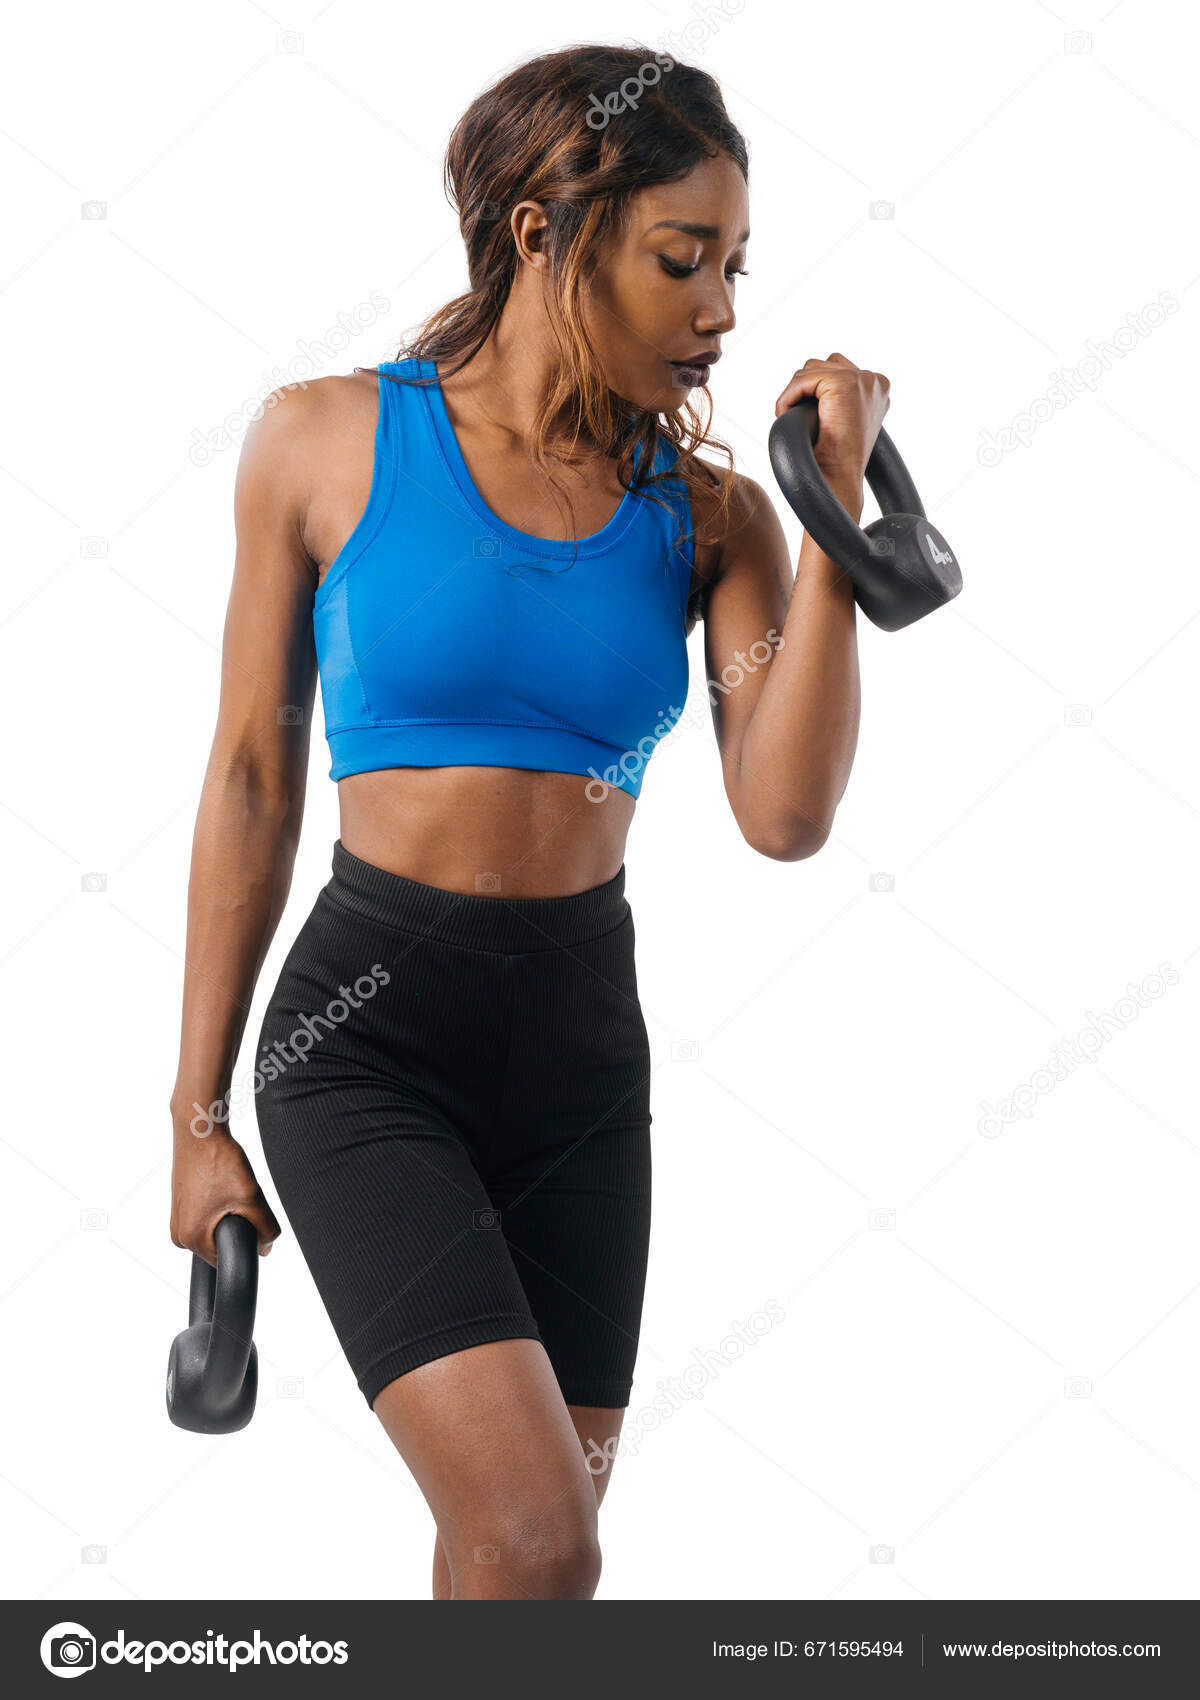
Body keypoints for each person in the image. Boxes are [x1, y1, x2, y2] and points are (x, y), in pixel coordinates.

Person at [169, 43, 888, 1601]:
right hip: (368, 1044)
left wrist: (830, 524)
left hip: (576, 1061)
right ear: (541, 232)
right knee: (536, 1538)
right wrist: (196, 1117)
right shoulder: (324, 440)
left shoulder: (706, 517)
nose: (722, 310)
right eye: (682, 259)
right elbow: (248, 777)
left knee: (526, 1567)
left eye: (737, 267)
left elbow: (783, 813)